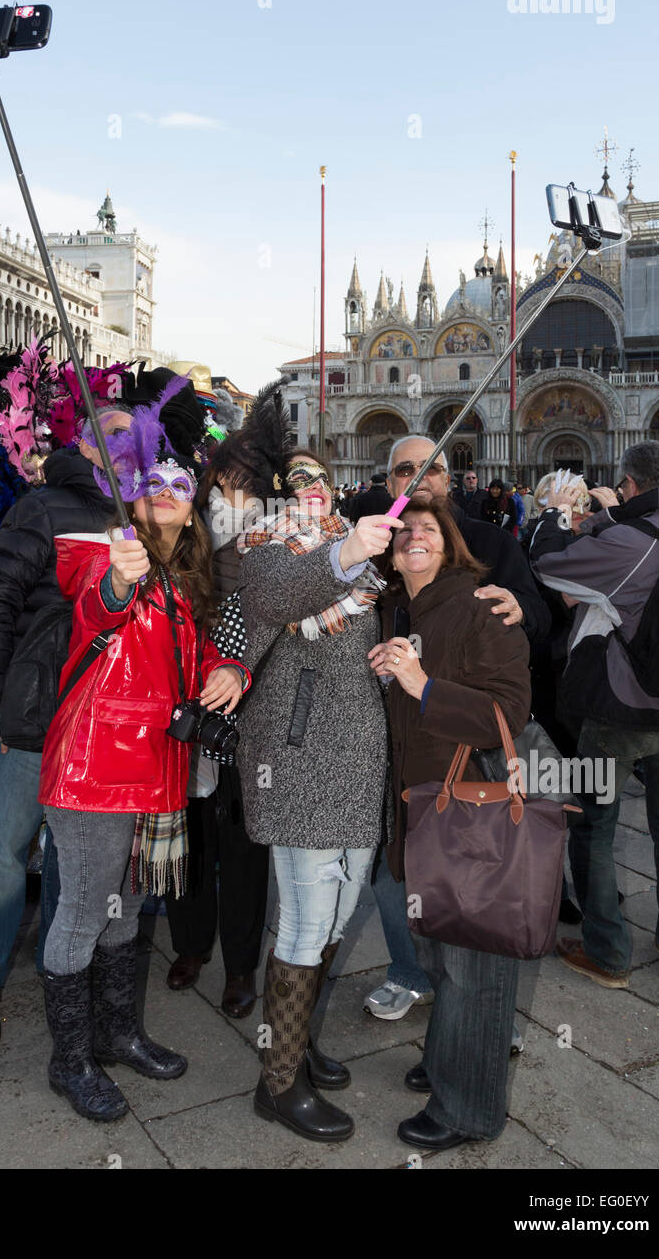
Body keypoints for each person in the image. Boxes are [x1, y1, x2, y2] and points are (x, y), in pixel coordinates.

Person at [38, 419, 251, 1121]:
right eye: (151, 484)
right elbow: (95, 604)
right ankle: (69, 1062)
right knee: (79, 913)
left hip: (160, 769)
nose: (163, 491)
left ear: (193, 506)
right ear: (131, 505)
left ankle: (116, 1032)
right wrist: (121, 583)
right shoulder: (108, 557)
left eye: (179, 484)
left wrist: (227, 665)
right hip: (95, 766)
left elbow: (206, 651)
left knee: (125, 908)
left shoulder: (195, 578)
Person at [235, 448, 399, 1141]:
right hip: (298, 758)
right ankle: (277, 1086)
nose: (309, 487)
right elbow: (276, 600)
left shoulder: (354, 548)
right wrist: (341, 557)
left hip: (359, 757)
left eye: (317, 476)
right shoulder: (266, 548)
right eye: (293, 479)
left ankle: (293, 1040)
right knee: (304, 922)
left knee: (336, 917)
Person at [0, 404, 128, 1049]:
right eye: (111, 434)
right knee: (1, 854)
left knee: (74, 860)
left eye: (135, 437)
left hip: (100, 725)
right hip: (33, 713)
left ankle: (63, 970)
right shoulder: (44, 507)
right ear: (83, 443)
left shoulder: (144, 511)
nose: (125, 446)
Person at [363, 436, 548, 1020]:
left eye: (433, 469)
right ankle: (421, 983)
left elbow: (510, 692)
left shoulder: (481, 578)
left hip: (461, 792)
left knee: (464, 931)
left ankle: (479, 1031)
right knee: (396, 889)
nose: (419, 480)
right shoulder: (386, 590)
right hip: (402, 788)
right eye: (406, 470)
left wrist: (517, 606)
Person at [370, 494, 531, 1149]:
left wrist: (421, 685)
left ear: (451, 543)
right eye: (404, 529)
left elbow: (507, 714)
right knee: (441, 956)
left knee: (473, 968)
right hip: (420, 810)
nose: (415, 537)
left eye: (429, 530)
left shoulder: (478, 604)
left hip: (469, 809)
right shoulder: (394, 611)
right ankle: (449, 1063)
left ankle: (468, 1109)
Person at [530, 441, 659, 987]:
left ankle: (608, 953)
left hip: (623, 711)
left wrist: (558, 512)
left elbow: (550, 565)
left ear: (630, 486)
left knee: (596, 829)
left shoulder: (631, 539)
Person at [161, 374, 293, 1017]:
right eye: (224, 486)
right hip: (189, 708)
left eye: (246, 488)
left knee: (243, 846)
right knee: (189, 832)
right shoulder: (186, 544)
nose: (232, 498)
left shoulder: (280, 545)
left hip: (255, 716)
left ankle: (241, 966)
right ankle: (190, 945)